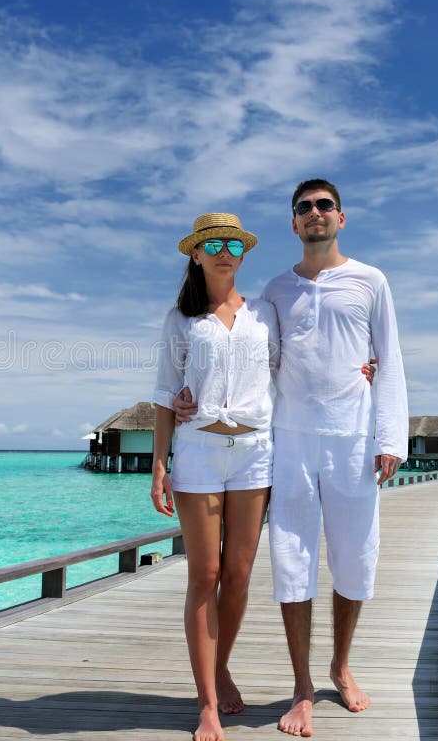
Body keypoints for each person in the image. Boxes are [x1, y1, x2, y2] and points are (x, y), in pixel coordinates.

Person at [174, 179, 408, 738]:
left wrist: (390, 437)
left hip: (353, 439)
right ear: (294, 223)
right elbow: (254, 360)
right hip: (290, 440)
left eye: (324, 206)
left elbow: (390, 357)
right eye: (304, 208)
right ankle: (303, 688)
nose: (315, 214)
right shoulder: (275, 291)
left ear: (341, 218)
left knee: (355, 559)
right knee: (292, 561)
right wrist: (193, 395)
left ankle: (340, 665)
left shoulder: (371, 281)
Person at [151, 212, 279, 741]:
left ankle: (220, 665)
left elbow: (293, 369)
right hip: (200, 451)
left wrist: (362, 369)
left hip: (254, 451)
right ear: (196, 254)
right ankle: (206, 703)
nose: (225, 251)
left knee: (240, 573)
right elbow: (164, 394)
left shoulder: (265, 313)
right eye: (213, 244)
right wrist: (159, 464)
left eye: (233, 243)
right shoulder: (181, 319)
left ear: (242, 253)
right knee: (204, 574)